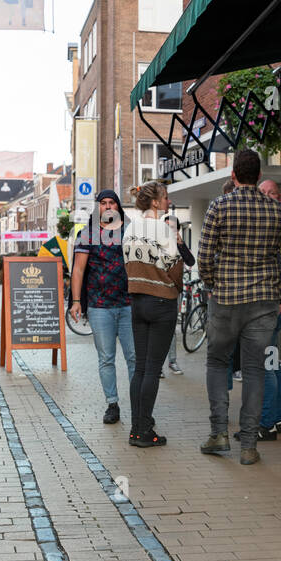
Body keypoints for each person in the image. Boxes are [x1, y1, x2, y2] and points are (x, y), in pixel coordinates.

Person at [199, 150, 281, 466]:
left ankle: (218, 434)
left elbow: (204, 256)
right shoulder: (278, 211)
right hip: (263, 302)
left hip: (226, 299)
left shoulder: (220, 206)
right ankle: (249, 446)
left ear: (233, 175)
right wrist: (278, 291)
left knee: (217, 362)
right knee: (255, 369)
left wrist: (214, 284)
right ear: (258, 176)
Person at [122, 180, 194, 447]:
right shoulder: (162, 229)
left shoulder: (130, 229)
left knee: (140, 368)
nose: (168, 202)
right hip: (162, 301)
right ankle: (144, 432)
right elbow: (178, 267)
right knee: (153, 368)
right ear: (155, 202)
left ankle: (136, 427)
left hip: (137, 301)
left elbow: (128, 264)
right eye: (165, 198)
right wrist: (175, 288)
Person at [70, 189, 136, 424]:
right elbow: (78, 270)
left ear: (118, 207)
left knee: (134, 358)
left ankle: (139, 406)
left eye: (112, 203)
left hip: (129, 304)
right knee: (106, 358)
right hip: (99, 306)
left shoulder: (129, 231)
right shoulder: (87, 234)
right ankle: (112, 404)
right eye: (103, 203)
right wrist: (76, 302)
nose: (108, 207)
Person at [256, 180, 281, 440]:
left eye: (271, 193)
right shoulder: (271, 223)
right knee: (273, 364)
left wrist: (278, 300)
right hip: (270, 307)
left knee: (266, 365)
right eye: (262, 193)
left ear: (280, 197)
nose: (266, 197)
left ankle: (266, 424)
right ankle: (277, 418)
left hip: (269, 308)